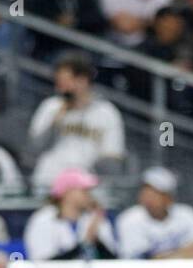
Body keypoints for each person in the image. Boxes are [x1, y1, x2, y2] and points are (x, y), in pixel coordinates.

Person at [28, 53, 125, 190]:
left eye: (65, 82)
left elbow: (112, 157)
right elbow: (33, 148)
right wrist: (54, 123)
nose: (59, 88)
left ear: (83, 80)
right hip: (48, 181)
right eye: (58, 83)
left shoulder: (106, 112)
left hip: (86, 186)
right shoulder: (50, 106)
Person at [114, 167, 193, 268]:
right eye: (146, 191)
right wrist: (184, 252)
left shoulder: (186, 213)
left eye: (156, 193)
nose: (149, 197)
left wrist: (183, 254)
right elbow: (141, 262)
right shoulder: (130, 219)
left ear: (168, 198)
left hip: (184, 267)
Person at [24, 167, 116, 268]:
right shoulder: (43, 220)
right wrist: (84, 244)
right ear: (67, 192)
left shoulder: (96, 219)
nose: (88, 195)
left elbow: (114, 265)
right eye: (83, 190)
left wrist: (97, 242)